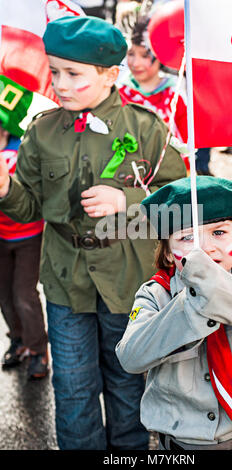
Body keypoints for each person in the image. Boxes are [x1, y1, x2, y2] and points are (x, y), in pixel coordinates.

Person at [0, 16, 186, 450]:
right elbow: (29, 207)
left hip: (127, 281)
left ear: (110, 74)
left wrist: (129, 202)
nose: (60, 84)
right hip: (67, 281)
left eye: (74, 74)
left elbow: (181, 206)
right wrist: (7, 189)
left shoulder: (146, 129)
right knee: (74, 390)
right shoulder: (43, 131)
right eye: (55, 71)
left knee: (128, 388)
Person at [116, 175, 232, 450]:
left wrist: (216, 288)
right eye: (187, 237)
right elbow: (131, 357)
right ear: (167, 254)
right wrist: (191, 304)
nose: (206, 248)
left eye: (218, 232)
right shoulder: (155, 295)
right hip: (185, 447)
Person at [0, 120, 48, 379]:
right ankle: (18, 340)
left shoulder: (22, 146)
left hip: (28, 233)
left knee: (23, 294)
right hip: (1, 237)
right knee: (5, 295)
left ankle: (39, 348)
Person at [118, 14, 188, 150]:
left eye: (145, 55)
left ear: (159, 55)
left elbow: (186, 138)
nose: (135, 63)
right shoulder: (120, 93)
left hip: (168, 167)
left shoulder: (174, 93)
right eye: (131, 54)